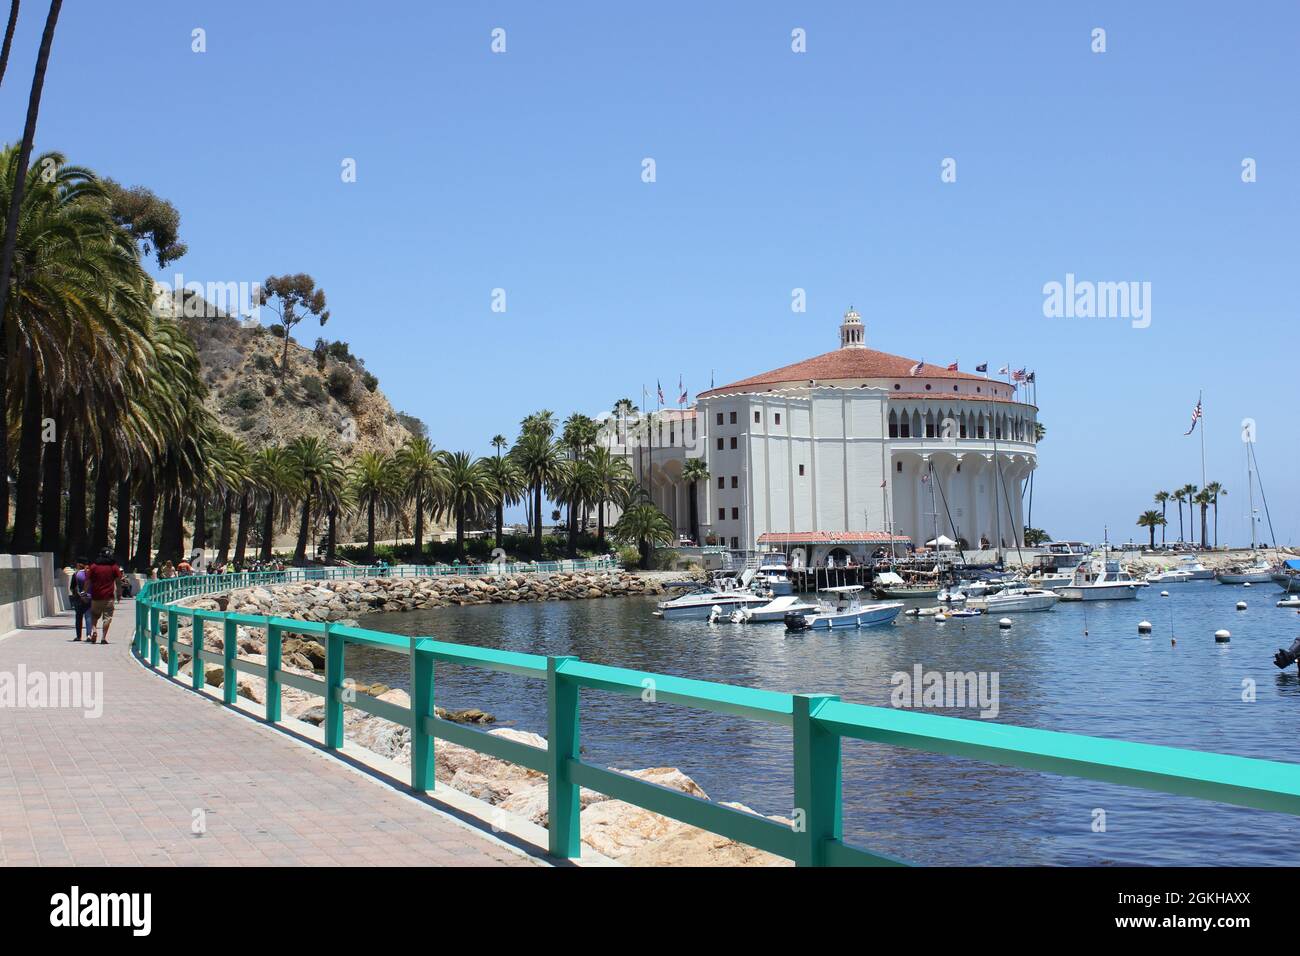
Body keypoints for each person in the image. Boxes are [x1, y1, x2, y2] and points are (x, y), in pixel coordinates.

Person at [85, 549, 124, 644]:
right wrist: (119, 594)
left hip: (96, 597)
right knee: (107, 618)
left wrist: (84, 592)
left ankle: (94, 630)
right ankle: (103, 638)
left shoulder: (94, 566)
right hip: (109, 597)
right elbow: (118, 582)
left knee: (94, 615)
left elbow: (88, 581)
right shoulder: (114, 567)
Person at [69, 557, 93, 642]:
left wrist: (76, 595)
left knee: (78, 617)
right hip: (89, 597)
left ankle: (78, 636)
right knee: (88, 616)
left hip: (78, 599)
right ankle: (89, 635)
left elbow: (72, 587)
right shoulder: (90, 573)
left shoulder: (76, 574)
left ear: (79, 564)